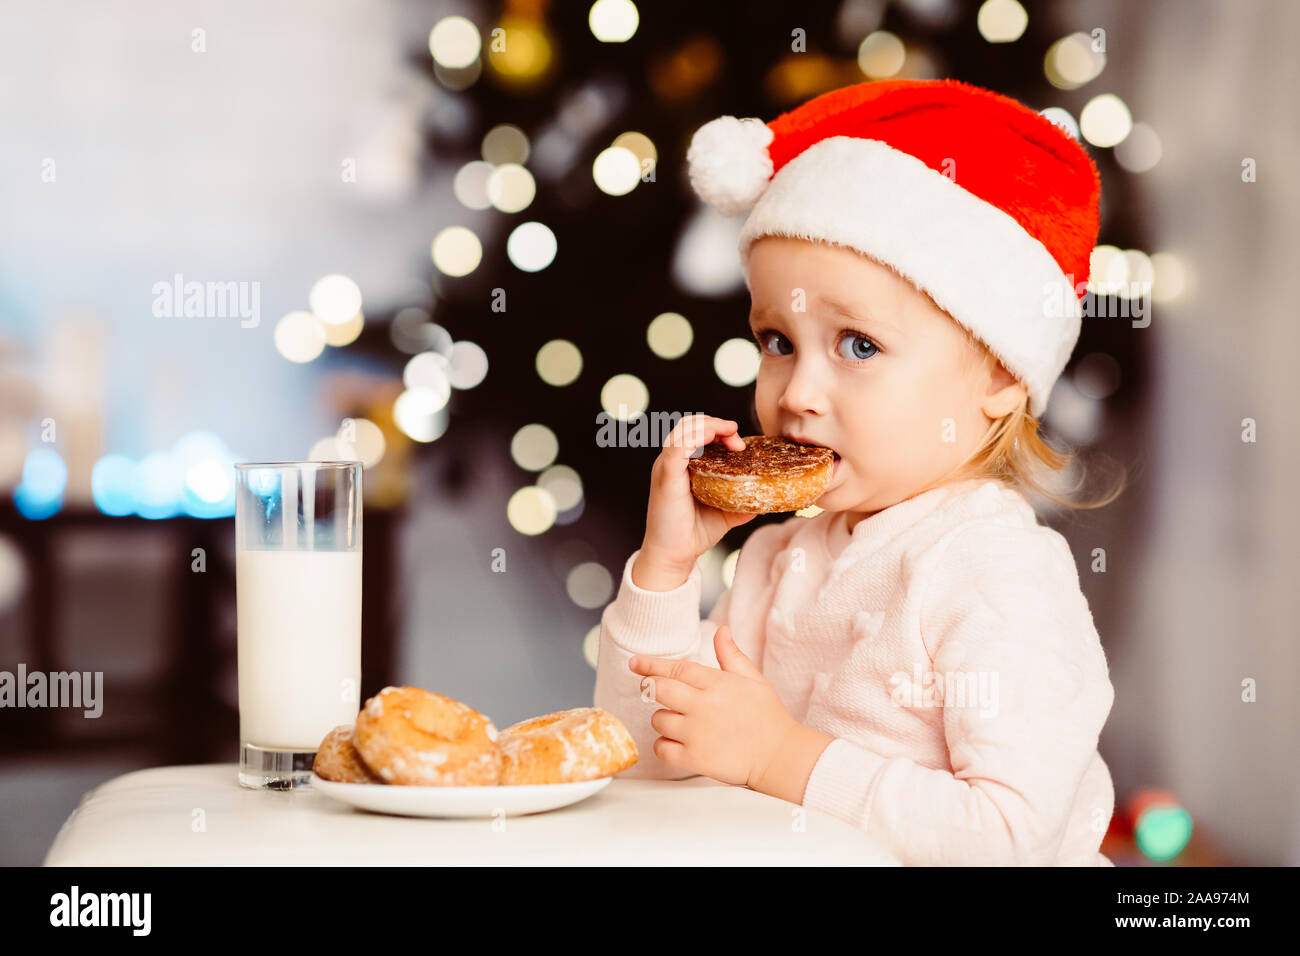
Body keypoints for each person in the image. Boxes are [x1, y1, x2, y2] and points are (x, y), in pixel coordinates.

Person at [593, 78, 1125, 866]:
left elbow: (1009, 838)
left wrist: (781, 758)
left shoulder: (992, 569)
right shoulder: (782, 555)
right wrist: (665, 568)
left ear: (999, 375)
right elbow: (649, 750)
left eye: (859, 345)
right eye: (778, 341)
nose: (797, 394)